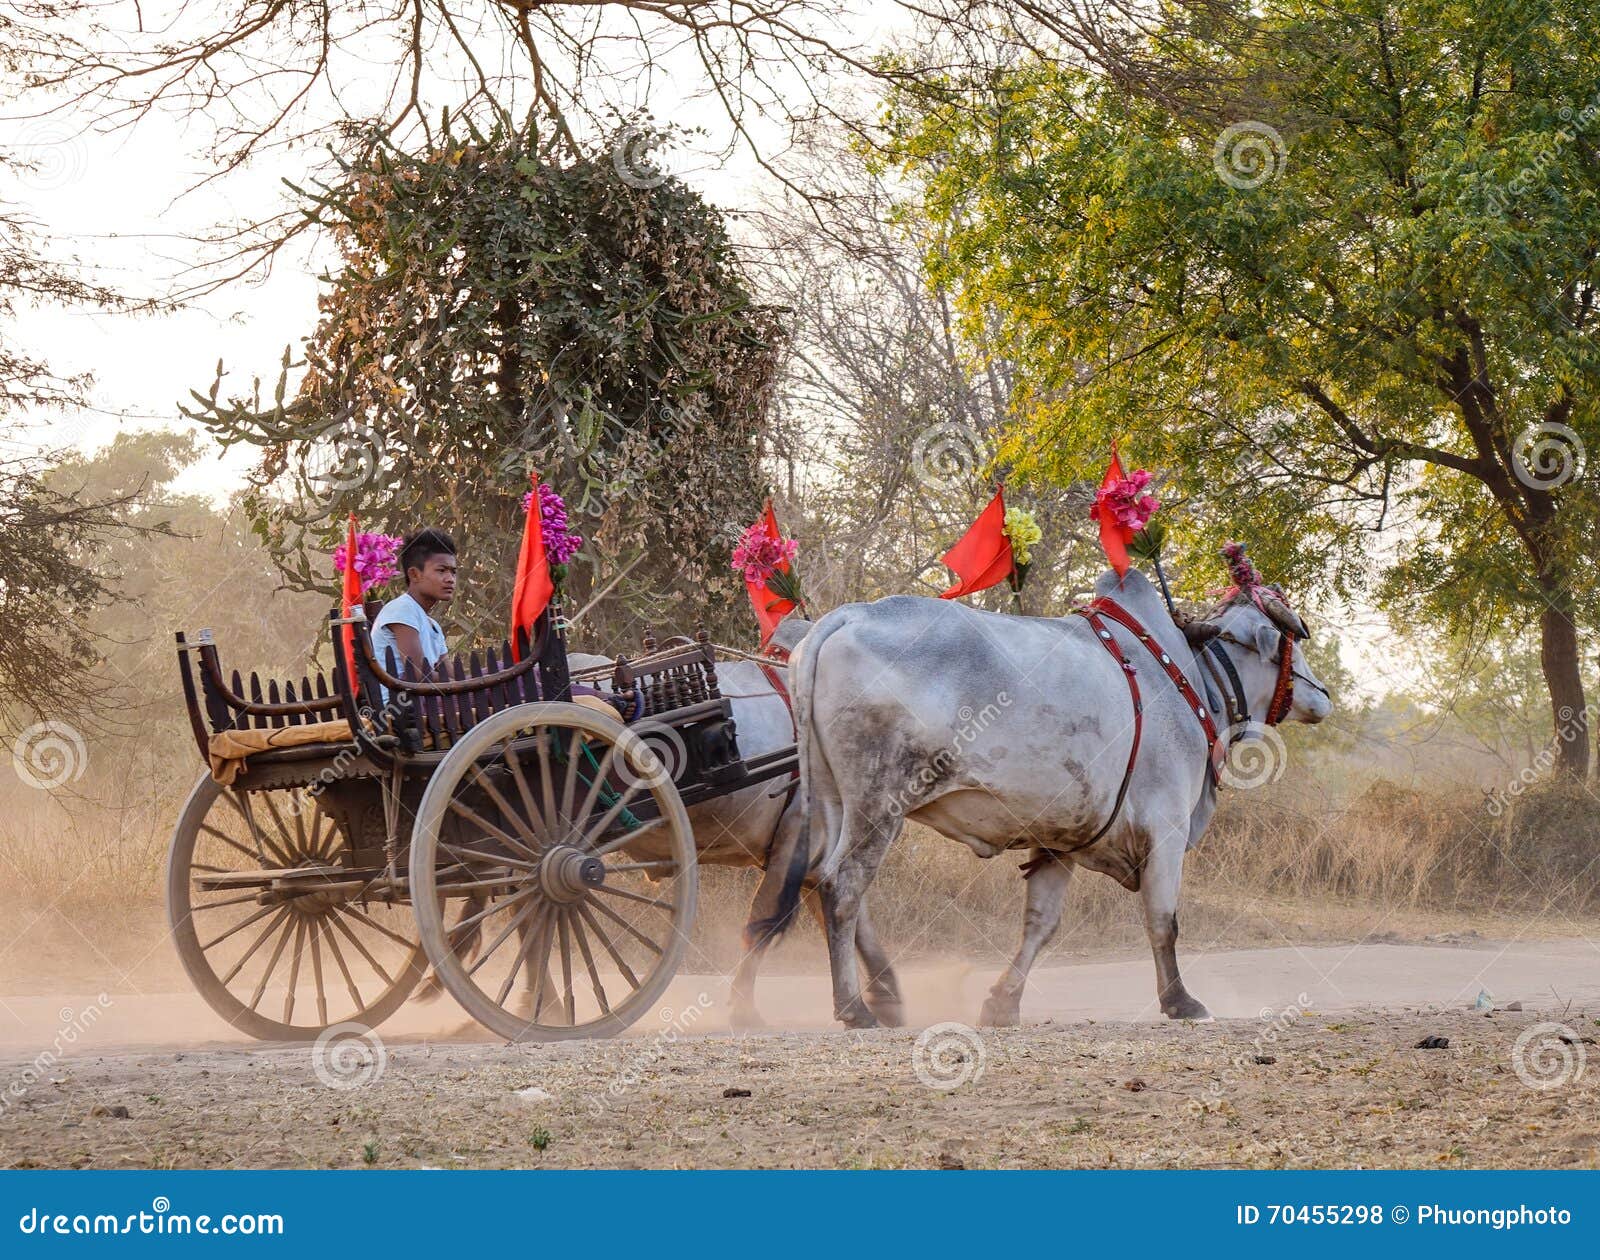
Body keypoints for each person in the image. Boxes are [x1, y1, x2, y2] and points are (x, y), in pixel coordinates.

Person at [371, 528, 455, 679]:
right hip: (403, 701)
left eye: (453, 572)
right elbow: (419, 675)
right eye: (442, 570)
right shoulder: (402, 609)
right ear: (414, 574)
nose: (450, 579)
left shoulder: (433, 625)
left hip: (428, 698)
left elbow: (451, 674)